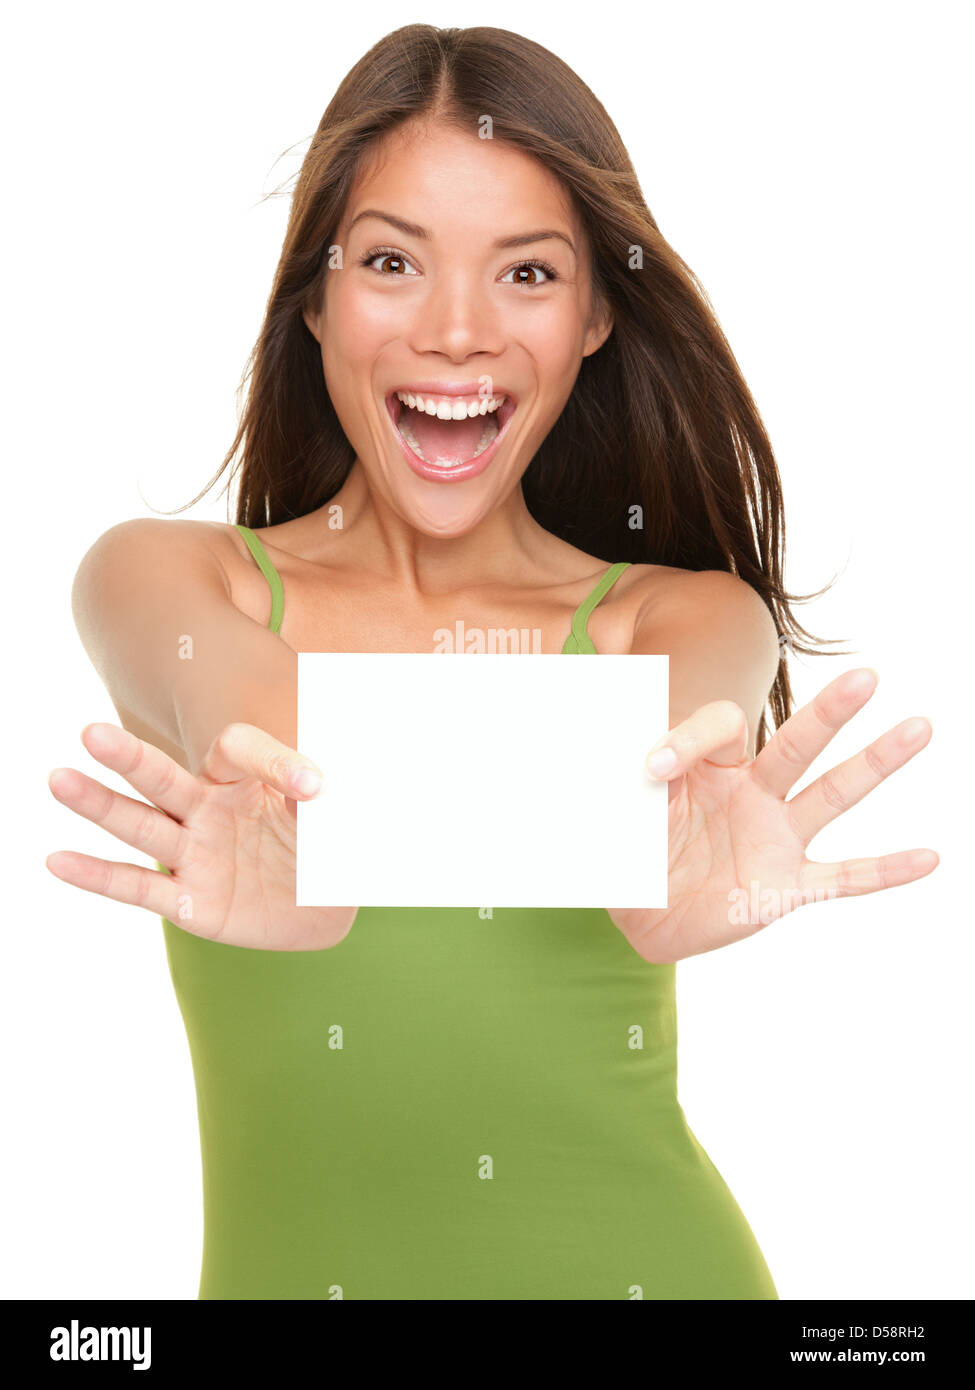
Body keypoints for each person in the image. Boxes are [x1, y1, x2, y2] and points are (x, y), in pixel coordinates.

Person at [46, 24, 938, 1299]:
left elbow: (696, 716)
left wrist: (661, 835)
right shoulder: (168, 579)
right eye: (394, 261)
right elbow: (241, 710)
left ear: (593, 318)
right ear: (314, 294)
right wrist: (329, 798)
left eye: (527, 274)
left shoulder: (678, 616)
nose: (457, 331)